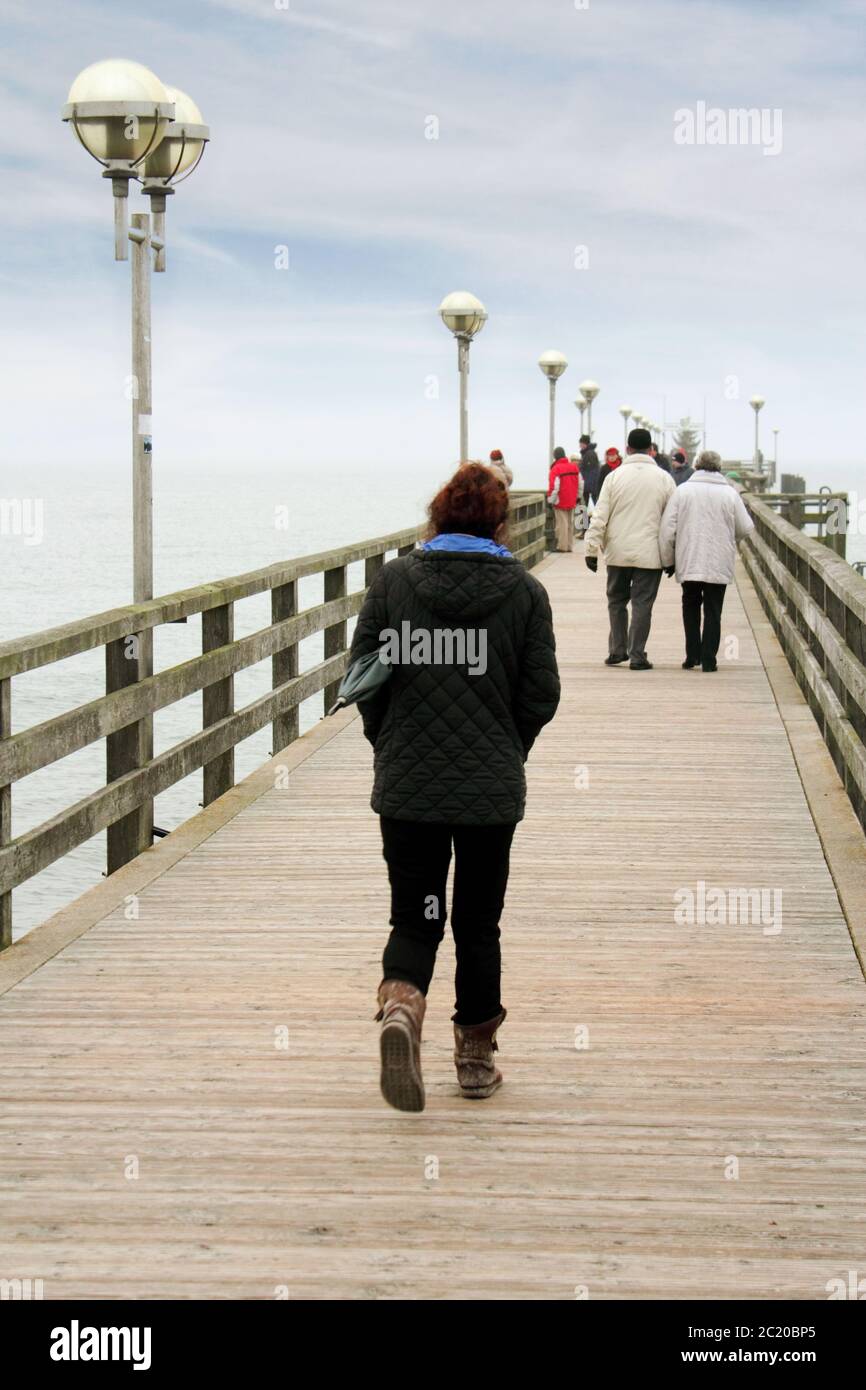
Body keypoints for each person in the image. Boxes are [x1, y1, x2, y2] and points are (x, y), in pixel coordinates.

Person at [349, 462, 561, 1112]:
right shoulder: (524, 593)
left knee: (415, 915)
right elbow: (541, 694)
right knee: (477, 922)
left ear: (437, 516)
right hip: (489, 791)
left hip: (409, 784)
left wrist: (389, 741)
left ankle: (403, 1006)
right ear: (499, 523)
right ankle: (473, 1061)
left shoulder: (395, 583)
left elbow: (362, 675)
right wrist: (506, 747)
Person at [584, 426, 676, 670]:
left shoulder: (614, 477)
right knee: (642, 604)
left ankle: (616, 650)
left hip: (617, 552)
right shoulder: (665, 479)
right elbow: (671, 522)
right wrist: (671, 557)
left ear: (627, 449)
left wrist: (591, 549)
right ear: (651, 450)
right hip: (650, 554)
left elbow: (599, 515)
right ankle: (637, 655)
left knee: (616, 601)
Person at [659, 449, 754, 672]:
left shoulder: (683, 492)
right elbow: (747, 527)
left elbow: (667, 529)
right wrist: (731, 538)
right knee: (713, 610)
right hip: (718, 562)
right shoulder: (730, 494)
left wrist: (668, 560)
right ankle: (709, 659)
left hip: (689, 559)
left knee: (690, 606)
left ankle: (692, 656)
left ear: (697, 466)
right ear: (718, 468)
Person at [547, 445, 581, 552]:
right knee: (570, 524)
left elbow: (554, 487)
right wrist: (578, 496)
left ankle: (562, 546)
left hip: (561, 500)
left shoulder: (556, 469)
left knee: (562, 524)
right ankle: (569, 546)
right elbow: (581, 483)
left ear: (555, 456)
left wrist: (551, 500)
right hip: (572, 499)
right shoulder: (574, 467)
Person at [579, 435, 601, 506]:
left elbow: (592, 472)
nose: (580, 446)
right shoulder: (587, 453)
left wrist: (587, 488)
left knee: (589, 507)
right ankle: (587, 517)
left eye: (581, 444)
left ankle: (588, 517)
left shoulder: (590, 454)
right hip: (588, 487)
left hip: (589, 489)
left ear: (585, 444)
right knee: (587, 507)